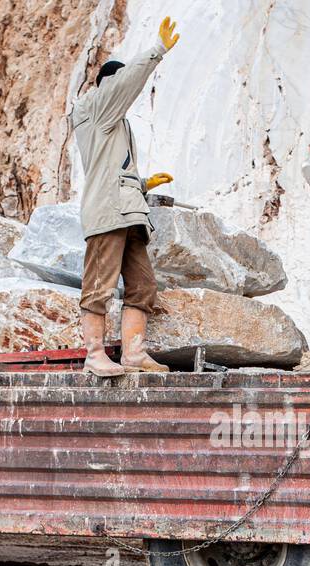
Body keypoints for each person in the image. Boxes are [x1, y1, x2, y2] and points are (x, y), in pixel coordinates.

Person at [69, 15, 181, 376]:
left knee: (143, 285)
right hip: (107, 213)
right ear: (107, 85)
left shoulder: (113, 123)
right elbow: (125, 83)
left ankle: (133, 355)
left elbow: (112, 171)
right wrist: (157, 51)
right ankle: (94, 354)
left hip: (128, 213)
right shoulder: (95, 108)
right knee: (99, 285)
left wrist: (145, 184)